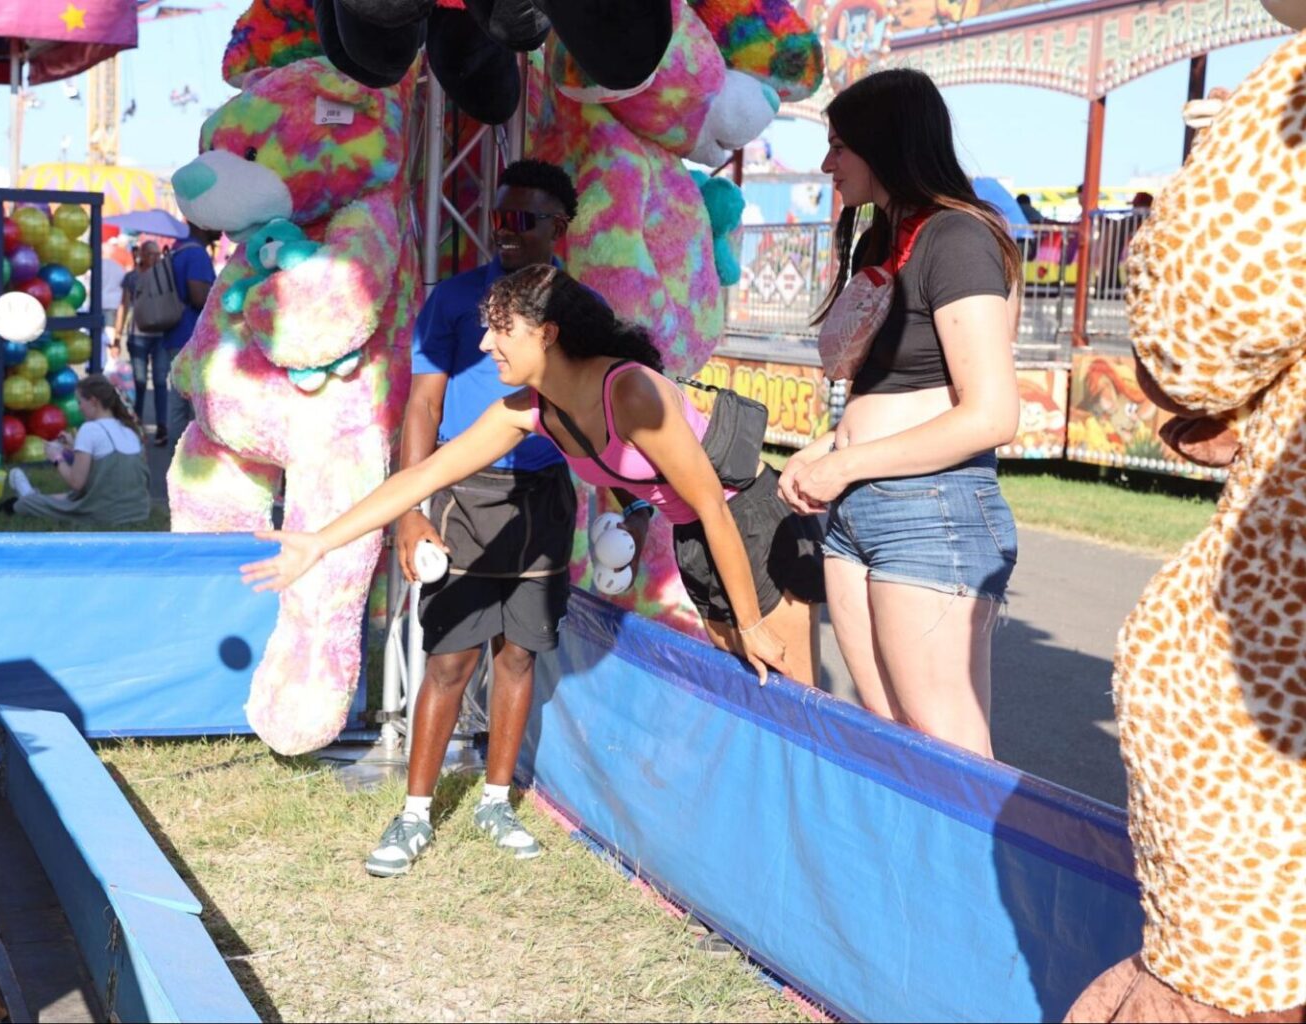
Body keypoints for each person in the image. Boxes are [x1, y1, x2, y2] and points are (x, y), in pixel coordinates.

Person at [240, 265, 825, 812]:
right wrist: (321, 541)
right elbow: (423, 476)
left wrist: (751, 623)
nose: (484, 345)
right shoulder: (530, 410)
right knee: (751, 696)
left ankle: (822, 838)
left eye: (500, 330)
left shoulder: (630, 392)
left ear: (546, 335)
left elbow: (713, 505)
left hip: (750, 524)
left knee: (797, 706)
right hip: (697, 538)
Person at [781, 68, 1021, 759]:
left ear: (885, 143)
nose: (827, 164)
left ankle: (979, 845)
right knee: (890, 735)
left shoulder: (958, 238)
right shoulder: (881, 239)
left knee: (947, 747)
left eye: (839, 146)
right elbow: (891, 392)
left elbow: (991, 415)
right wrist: (827, 450)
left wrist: (846, 462)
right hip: (858, 510)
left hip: (929, 511)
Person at [374, 160, 587, 877]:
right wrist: (410, 512)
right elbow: (423, 405)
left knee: (519, 654)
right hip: (463, 494)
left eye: (523, 219)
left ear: (560, 227)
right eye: (499, 217)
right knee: (450, 659)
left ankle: (496, 801)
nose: (505, 231)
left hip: (546, 498)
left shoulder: (579, 309)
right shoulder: (455, 300)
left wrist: (634, 509)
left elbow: (602, 412)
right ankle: (413, 814)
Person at [4, 374, 151, 526]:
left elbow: (76, 482)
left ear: (93, 401)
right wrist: (76, 448)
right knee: (73, 496)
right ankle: (33, 495)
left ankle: (29, 497)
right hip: (139, 511)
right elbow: (108, 469)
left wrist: (57, 458)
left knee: (26, 505)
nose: (79, 408)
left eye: (80, 402)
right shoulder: (129, 429)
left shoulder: (90, 429)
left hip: (106, 514)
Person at [161, 226, 217, 449]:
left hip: (175, 334)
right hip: (191, 337)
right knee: (196, 403)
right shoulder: (196, 254)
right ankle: (193, 456)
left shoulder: (179, 249)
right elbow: (198, 296)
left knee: (178, 402)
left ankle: (177, 455)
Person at [116, 240, 166, 438]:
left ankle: (162, 427)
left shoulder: (164, 276)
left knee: (160, 381)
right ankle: (137, 425)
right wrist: (117, 337)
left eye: (157, 254)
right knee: (140, 382)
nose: (155, 258)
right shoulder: (132, 277)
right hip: (138, 336)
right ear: (142, 255)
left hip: (161, 335)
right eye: (151, 254)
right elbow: (124, 306)